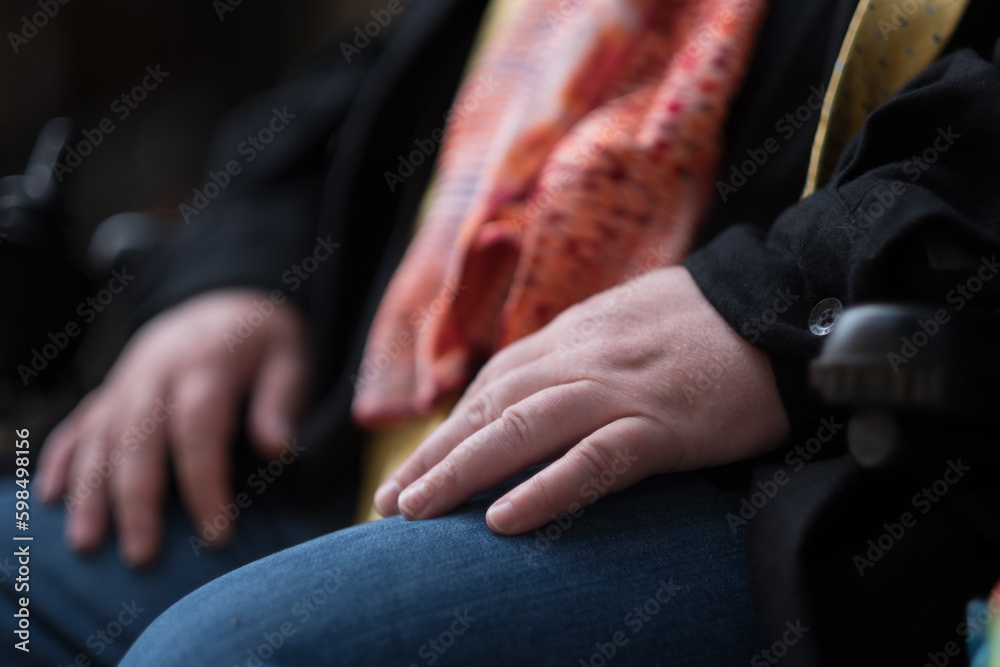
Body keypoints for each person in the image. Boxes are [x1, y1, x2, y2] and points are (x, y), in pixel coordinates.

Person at [5, 0, 1000, 665]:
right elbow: (376, 83)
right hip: (368, 455)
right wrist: (230, 280)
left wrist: (781, 304)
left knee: (226, 653)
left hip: (811, 489)